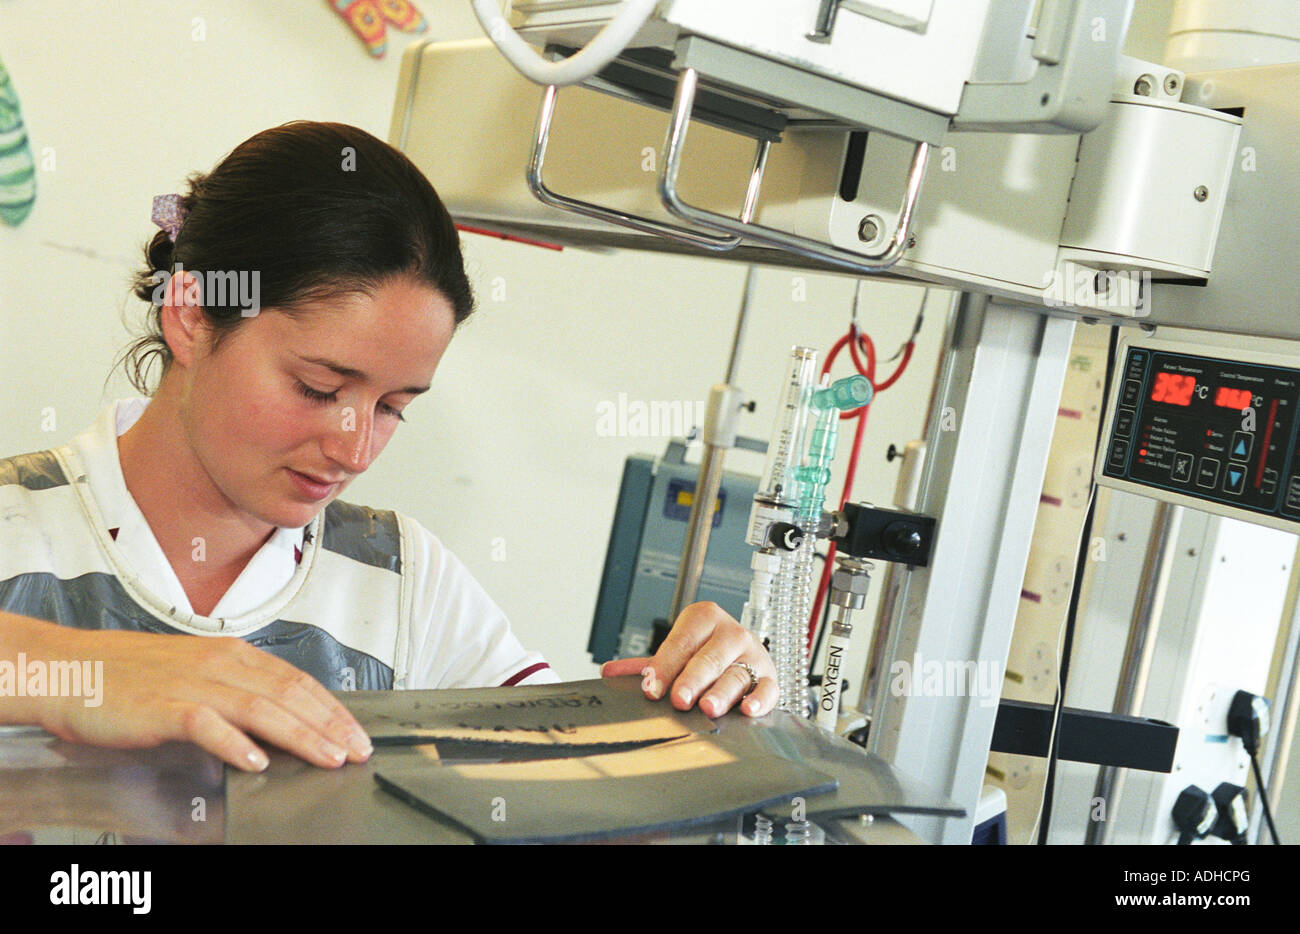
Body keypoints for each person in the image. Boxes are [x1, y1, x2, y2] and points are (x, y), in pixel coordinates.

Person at [0, 121, 777, 773]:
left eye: (393, 407)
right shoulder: (16, 525)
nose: (355, 449)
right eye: (318, 387)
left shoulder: (405, 583)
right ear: (194, 315)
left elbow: (578, 778)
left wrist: (710, 699)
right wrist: (90, 673)